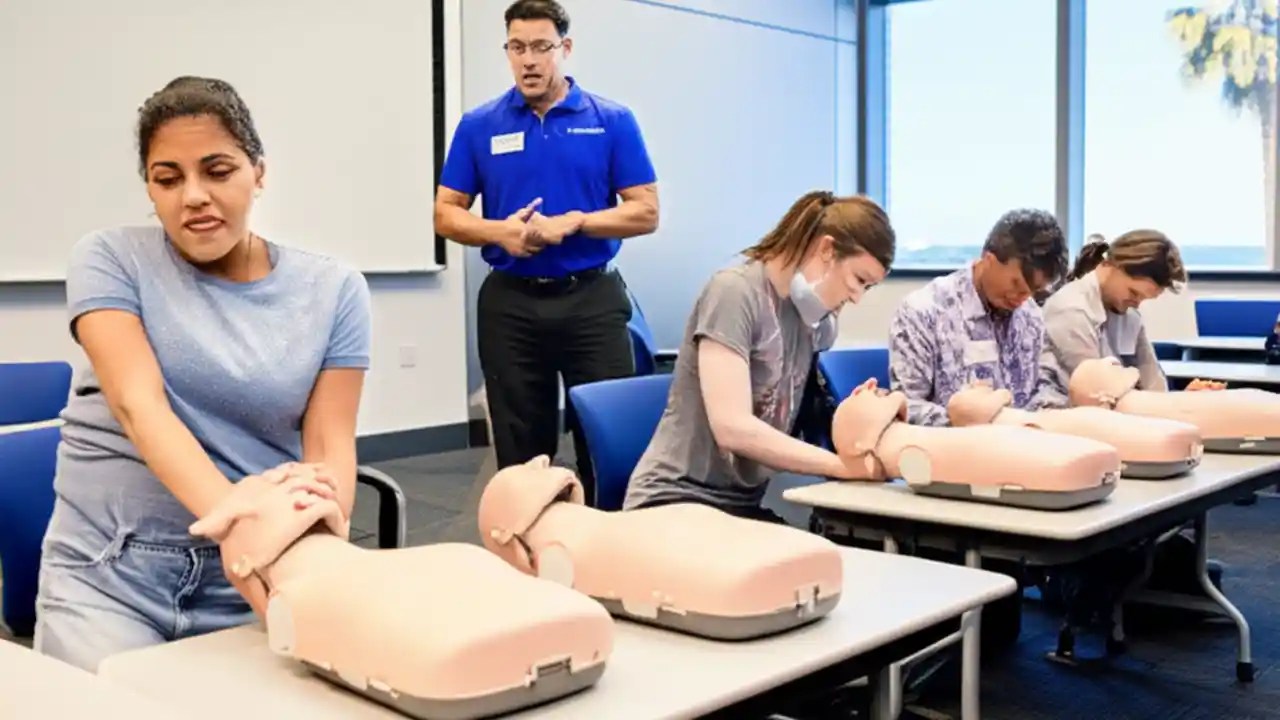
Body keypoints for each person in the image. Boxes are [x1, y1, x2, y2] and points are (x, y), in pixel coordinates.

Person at [33, 76, 369, 672]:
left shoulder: (335, 290)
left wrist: (316, 554)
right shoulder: (110, 258)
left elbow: (328, 445)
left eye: (217, 171)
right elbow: (139, 405)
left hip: (252, 575)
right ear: (150, 188)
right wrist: (244, 526)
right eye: (168, 179)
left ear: (257, 173)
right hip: (110, 575)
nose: (193, 196)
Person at [434, 0, 659, 483]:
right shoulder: (480, 125)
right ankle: (528, 549)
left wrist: (575, 222)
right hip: (511, 304)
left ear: (565, 48)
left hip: (592, 300)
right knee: (521, 451)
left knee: (606, 441)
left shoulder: (611, 120)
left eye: (541, 47)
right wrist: (502, 233)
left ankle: (608, 549)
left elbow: (645, 212)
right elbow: (445, 214)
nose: (528, 60)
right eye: (517, 48)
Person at [622, 191, 896, 522]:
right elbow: (732, 428)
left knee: (824, 562)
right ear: (826, 249)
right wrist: (841, 466)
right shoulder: (735, 293)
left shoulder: (812, 320)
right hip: (676, 498)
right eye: (858, 280)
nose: (856, 297)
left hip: (739, 506)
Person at [889, 208, 1070, 426]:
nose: (1022, 298)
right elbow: (907, 406)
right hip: (952, 449)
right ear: (989, 260)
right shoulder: (924, 312)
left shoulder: (1030, 316)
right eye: (1016, 284)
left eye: (1034, 291)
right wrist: (967, 418)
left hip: (1023, 447)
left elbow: (1046, 384)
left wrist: (1045, 414)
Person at [1042, 230, 1193, 391]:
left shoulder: (1129, 316)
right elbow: (1099, 392)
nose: (1136, 304)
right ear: (1112, 266)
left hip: (1111, 409)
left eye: (1143, 298)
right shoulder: (1071, 310)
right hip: (1069, 410)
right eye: (1133, 293)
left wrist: (1180, 400)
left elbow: (1154, 383)